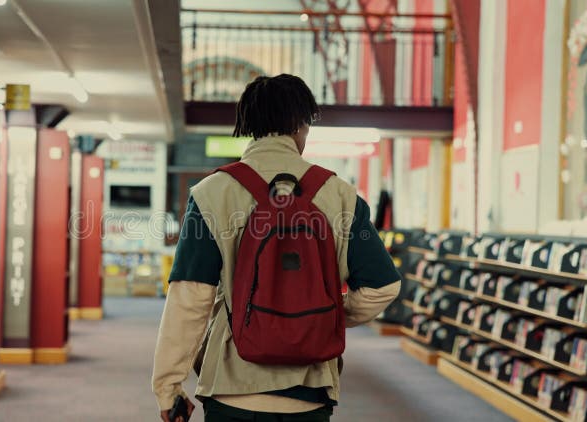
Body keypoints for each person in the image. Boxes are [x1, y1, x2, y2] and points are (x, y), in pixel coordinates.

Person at [152, 74, 401, 422]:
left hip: (232, 388)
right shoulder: (341, 195)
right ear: (302, 125)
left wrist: (168, 387)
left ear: (249, 125)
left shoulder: (211, 193)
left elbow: (190, 297)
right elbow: (382, 287)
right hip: (310, 393)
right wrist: (320, 318)